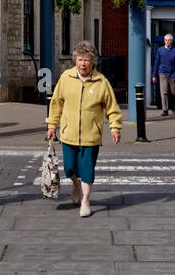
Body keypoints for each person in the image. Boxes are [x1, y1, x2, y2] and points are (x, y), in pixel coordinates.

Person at [46, 41, 122, 217]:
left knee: (87, 169)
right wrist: (52, 125)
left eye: (86, 60)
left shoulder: (101, 82)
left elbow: (112, 108)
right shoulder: (66, 77)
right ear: (75, 61)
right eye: (80, 59)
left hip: (91, 135)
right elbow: (56, 103)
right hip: (68, 133)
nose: (82, 64)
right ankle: (75, 185)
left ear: (93, 62)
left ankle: (85, 201)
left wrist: (115, 128)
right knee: (70, 168)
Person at [151, 33, 175, 116]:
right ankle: (165, 110)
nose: (167, 42)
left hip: (173, 74)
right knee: (164, 92)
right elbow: (156, 63)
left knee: (173, 93)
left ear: (171, 41)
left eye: (169, 40)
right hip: (163, 73)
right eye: (166, 40)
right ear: (164, 41)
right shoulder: (160, 50)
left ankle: (172, 107)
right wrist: (154, 75)